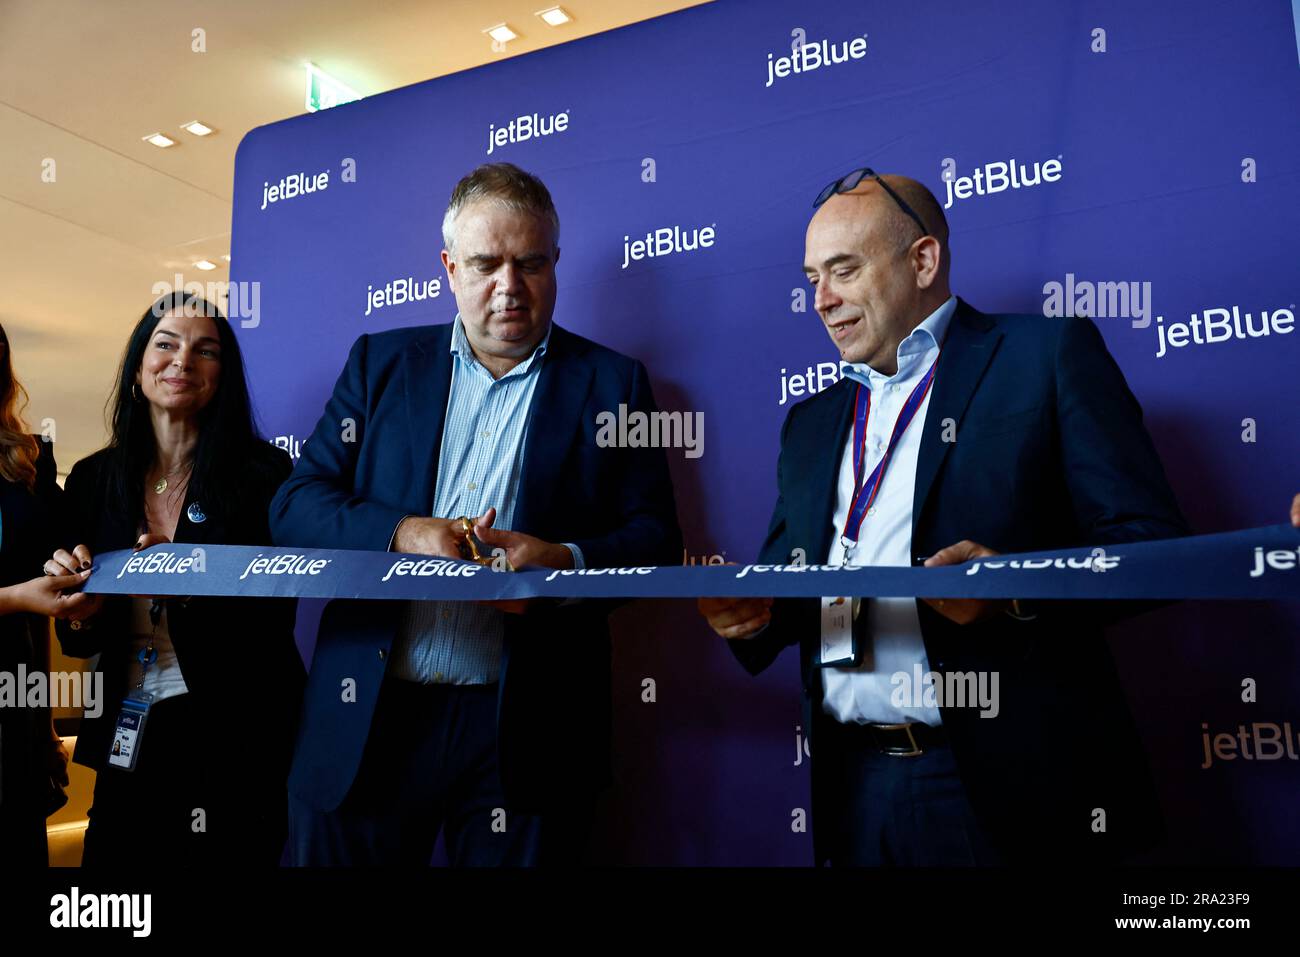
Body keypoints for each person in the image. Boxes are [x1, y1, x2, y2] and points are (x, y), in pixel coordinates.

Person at [698, 169, 1189, 865]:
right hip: (854, 784)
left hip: (1007, 785)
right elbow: (791, 587)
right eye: (812, 278)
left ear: (923, 260)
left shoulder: (1044, 356)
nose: (822, 300)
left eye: (843, 270)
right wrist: (748, 611)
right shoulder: (810, 423)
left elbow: (1152, 546)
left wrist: (1012, 593)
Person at [271, 162, 681, 866]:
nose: (509, 287)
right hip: (370, 714)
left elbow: (655, 539)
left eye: (531, 263)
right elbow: (296, 505)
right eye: (486, 264)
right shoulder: (379, 365)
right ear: (449, 267)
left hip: (528, 727)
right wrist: (405, 532)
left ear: (556, 263)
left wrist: (561, 564)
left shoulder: (615, 383)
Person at [46, 292, 304, 866]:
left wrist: (189, 581)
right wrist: (77, 607)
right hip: (128, 728)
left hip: (235, 732)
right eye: (165, 344)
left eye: (205, 351)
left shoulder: (265, 476)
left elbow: (276, 610)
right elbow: (79, 637)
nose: (182, 361)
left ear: (223, 377)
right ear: (138, 369)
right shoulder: (91, 479)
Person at [0, 322, 92, 866]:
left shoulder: (25, 461)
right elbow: (25, 598)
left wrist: (46, 725)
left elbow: (43, 598)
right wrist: (15, 599)